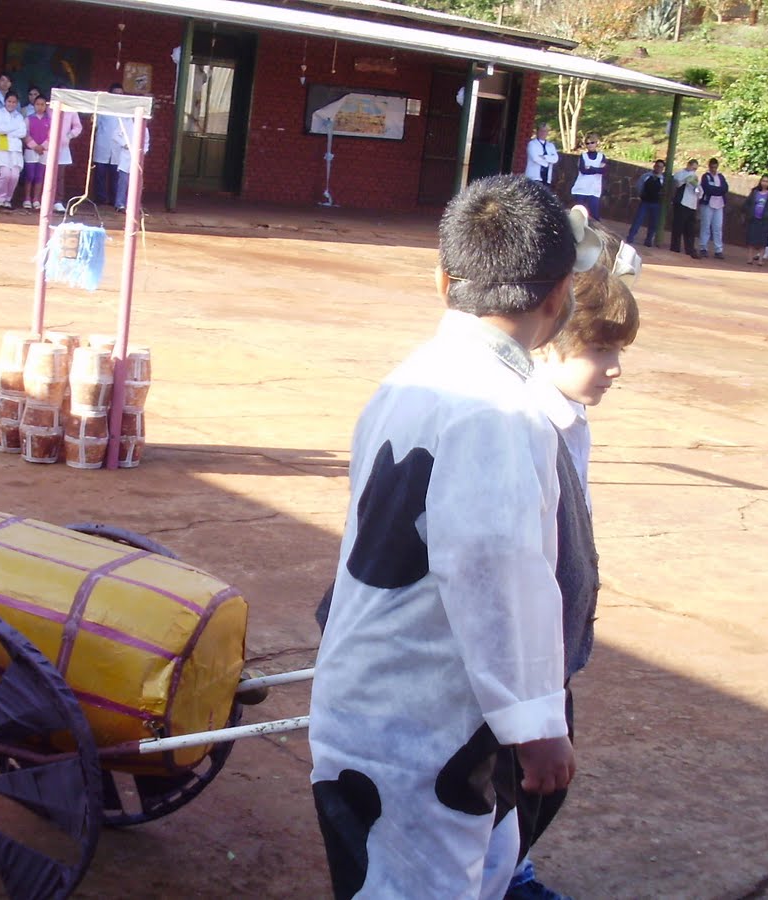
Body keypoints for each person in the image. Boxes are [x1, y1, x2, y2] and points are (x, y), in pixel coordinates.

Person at [310, 175, 577, 900]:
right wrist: (534, 720)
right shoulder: (502, 411)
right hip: (420, 725)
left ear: (442, 281)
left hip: (373, 700)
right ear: (557, 297)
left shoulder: (409, 380)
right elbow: (495, 569)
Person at [509, 219, 639, 900]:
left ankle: (508, 866)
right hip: (524, 641)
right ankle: (502, 873)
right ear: (549, 344)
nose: (615, 368)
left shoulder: (569, 420)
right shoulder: (527, 424)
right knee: (527, 773)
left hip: (554, 638)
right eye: (602, 351)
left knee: (536, 781)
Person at [0, 90, 28, 210]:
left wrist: (8, 131)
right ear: (5, 102)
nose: (11, 104)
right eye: (9, 101)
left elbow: (23, 132)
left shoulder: (19, 116)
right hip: (3, 147)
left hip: (16, 150)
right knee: (5, 174)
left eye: (14, 102)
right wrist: (14, 129)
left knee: (15, 176)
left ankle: (8, 199)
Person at [90, 82, 124, 204]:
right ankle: (100, 198)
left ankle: (114, 199)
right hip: (103, 145)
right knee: (100, 174)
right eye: (115, 94)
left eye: (120, 94)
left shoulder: (125, 110)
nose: (118, 96)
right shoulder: (102, 108)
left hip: (118, 147)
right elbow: (96, 124)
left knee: (115, 176)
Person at [112, 110, 149, 212]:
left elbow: (146, 143)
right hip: (126, 155)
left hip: (137, 158)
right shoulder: (125, 123)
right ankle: (119, 204)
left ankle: (135, 205)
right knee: (123, 181)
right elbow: (115, 135)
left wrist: (143, 152)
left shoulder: (144, 128)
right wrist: (124, 144)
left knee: (136, 182)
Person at [625, 159, 665, 248]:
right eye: (657, 166)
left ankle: (649, 240)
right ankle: (630, 237)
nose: (659, 168)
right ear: (654, 166)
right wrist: (642, 195)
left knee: (653, 223)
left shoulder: (663, 179)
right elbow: (639, 186)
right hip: (645, 202)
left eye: (661, 167)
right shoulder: (646, 176)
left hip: (656, 203)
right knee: (638, 220)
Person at [21, 91, 51, 210]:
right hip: (31, 150)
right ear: (34, 105)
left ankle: (36, 199)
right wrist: (34, 146)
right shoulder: (28, 119)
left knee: (39, 175)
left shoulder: (50, 120)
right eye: (38, 104)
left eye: (42, 104)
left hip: (44, 151)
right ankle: (27, 198)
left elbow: (51, 135)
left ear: (46, 106)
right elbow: (25, 134)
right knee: (30, 175)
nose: (40, 106)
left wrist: (42, 146)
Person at [52, 100, 83, 212]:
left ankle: (58, 201)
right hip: (47, 146)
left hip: (63, 147)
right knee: (45, 173)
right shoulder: (49, 108)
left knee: (60, 175)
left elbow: (77, 127)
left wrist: (68, 136)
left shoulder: (71, 110)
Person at [696, 157, 728, 259]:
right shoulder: (706, 176)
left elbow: (725, 188)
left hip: (719, 204)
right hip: (708, 203)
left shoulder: (721, 177)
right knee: (706, 226)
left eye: (715, 167)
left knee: (718, 227)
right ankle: (703, 247)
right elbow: (708, 189)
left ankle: (718, 249)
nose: (714, 169)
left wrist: (717, 190)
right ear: (709, 167)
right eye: (712, 167)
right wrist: (718, 190)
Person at [570, 134, 606, 221]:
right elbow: (583, 170)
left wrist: (590, 167)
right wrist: (596, 169)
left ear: (596, 143)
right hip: (581, 188)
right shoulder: (583, 156)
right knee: (578, 214)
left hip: (594, 189)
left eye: (592, 142)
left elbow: (603, 171)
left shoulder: (601, 156)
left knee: (595, 215)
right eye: (587, 143)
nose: (590, 145)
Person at [743, 174, 768, 266]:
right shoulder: (754, 191)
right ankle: (750, 258)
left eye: (766, 181)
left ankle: (761, 259)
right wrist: (750, 213)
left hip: (765, 220)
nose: (764, 183)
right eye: (763, 181)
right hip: (753, 219)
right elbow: (747, 203)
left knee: (763, 240)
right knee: (751, 239)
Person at [670, 158, 700, 257]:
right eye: (692, 168)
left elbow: (699, 193)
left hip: (692, 205)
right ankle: (675, 247)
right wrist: (686, 180)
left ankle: (690, 249)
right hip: (681, 204)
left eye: (695, 169)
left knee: (690, 229)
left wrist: (696, 186)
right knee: (678, 226)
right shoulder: (680, 173)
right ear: (688, 165)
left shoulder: (695, 176)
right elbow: (677, 183)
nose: (693, 171)